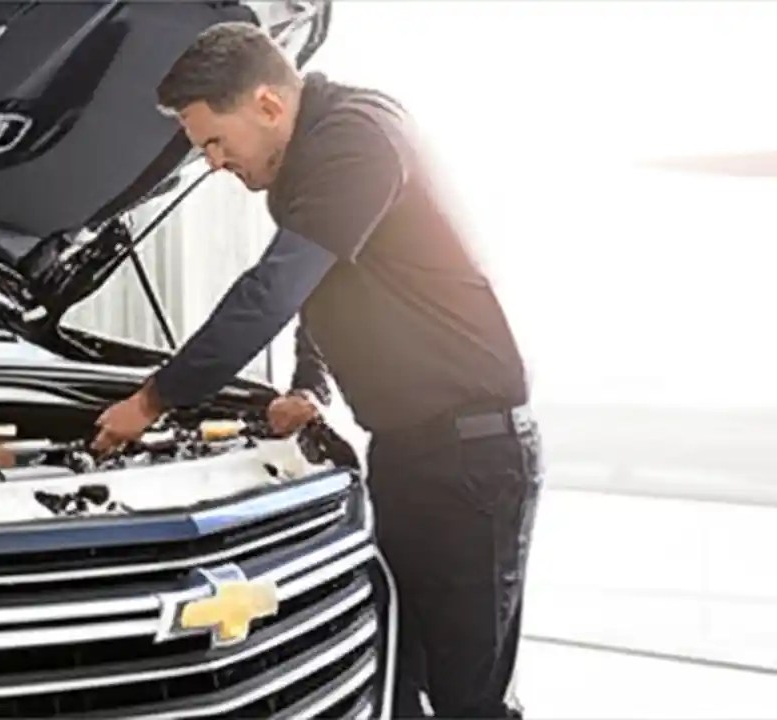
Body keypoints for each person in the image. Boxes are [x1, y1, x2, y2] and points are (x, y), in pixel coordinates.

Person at [90, 21, 543, 720]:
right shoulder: (309, 165)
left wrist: (152, 402)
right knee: (396, 673)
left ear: (269, 105)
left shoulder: (359, 138)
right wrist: (310, 385)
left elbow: (271, 290)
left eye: (216, 141)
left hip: (472, 461)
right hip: (410, 452)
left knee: (469, 701)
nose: (214, 163)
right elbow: (319, 292)